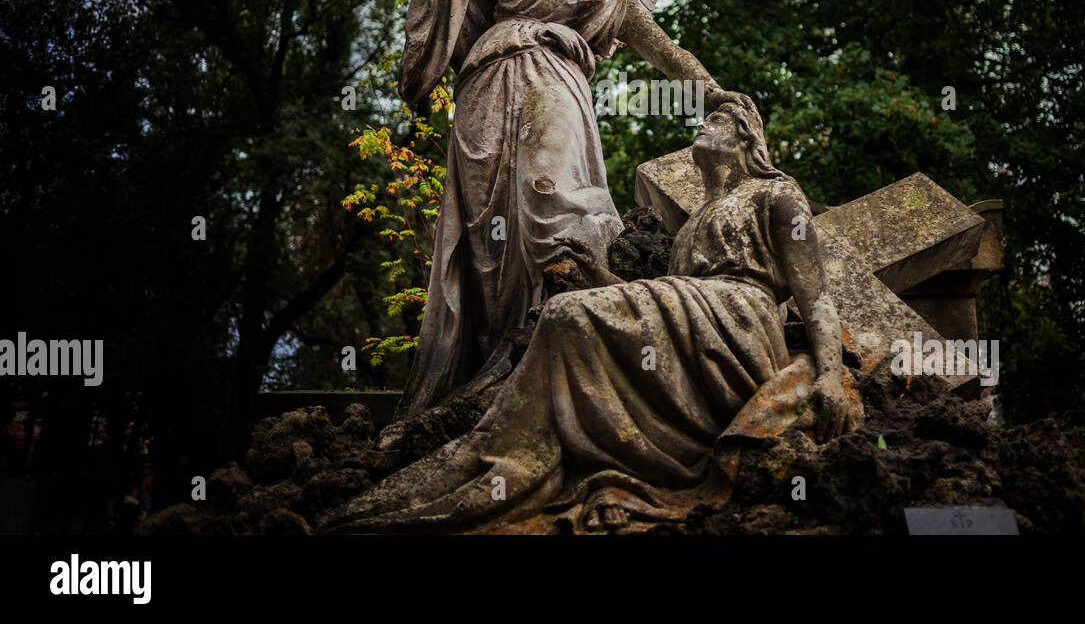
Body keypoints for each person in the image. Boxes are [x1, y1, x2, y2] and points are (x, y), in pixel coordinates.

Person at [309, 0, 752, 417]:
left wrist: (713, 92)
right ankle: (502, 351)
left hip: (558, 81)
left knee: (550, 191)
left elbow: (665, 50)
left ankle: (567, 325)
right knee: (487, 229)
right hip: (492, 76)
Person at [323, 102, 861, 533]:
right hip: (691, 318)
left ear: (748, 139)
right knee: (572, 315)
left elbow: (814, 295)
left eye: (719, 118)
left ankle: (509, 456)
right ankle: (528, 455)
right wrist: (598, 281)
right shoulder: (695, 221)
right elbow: (658, 304)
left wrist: (831, 375)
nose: (704, 121)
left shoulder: (776, 193)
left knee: (565, 316)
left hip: (737, 326)